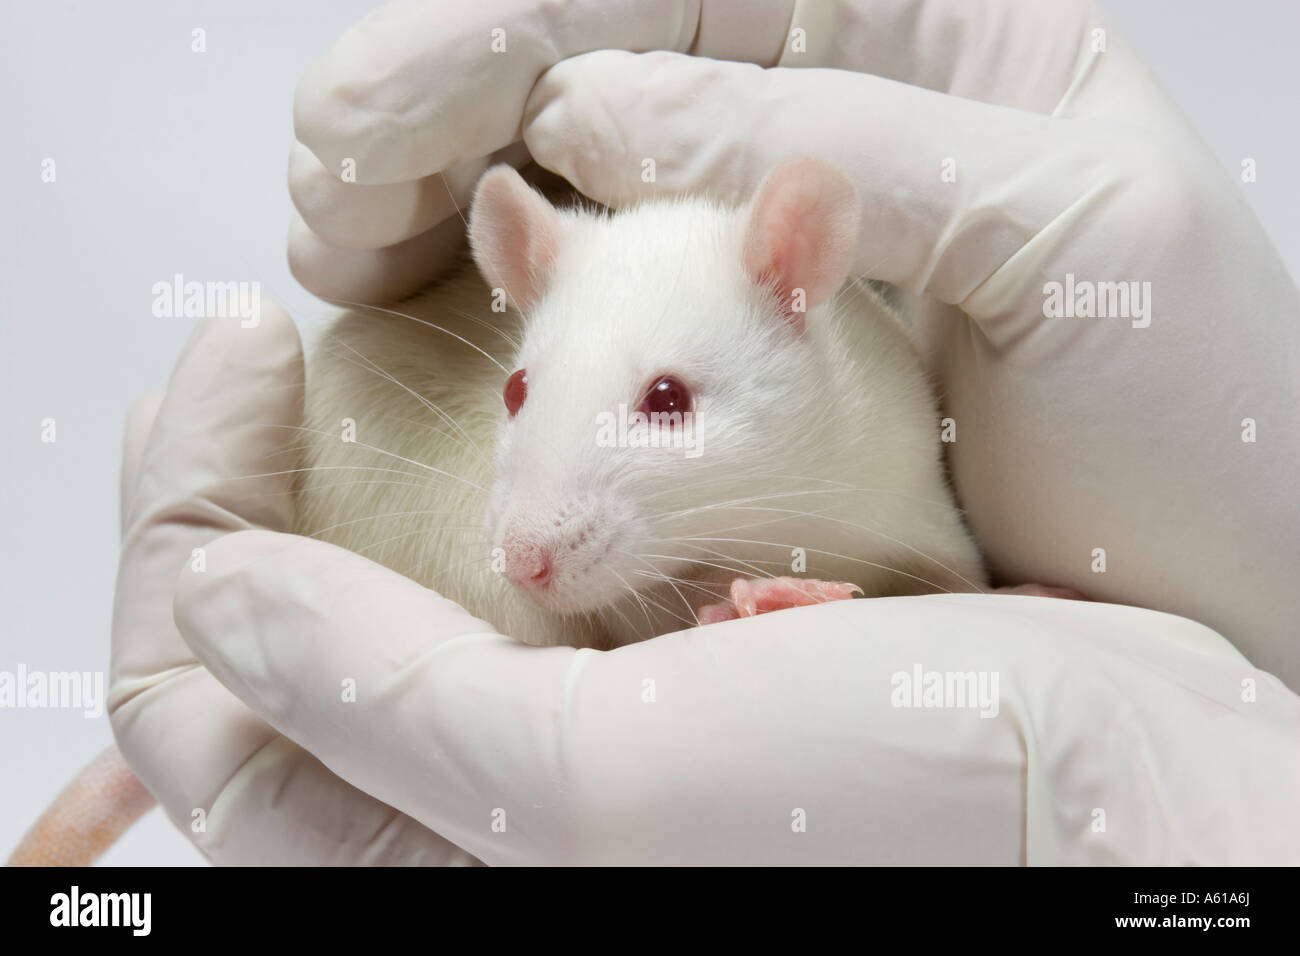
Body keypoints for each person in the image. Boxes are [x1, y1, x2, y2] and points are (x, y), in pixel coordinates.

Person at [110, 0, 1300, 865]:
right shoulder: (570, 375)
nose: (526, 540)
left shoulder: (865, 385)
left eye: (666, 404)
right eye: (524, 392)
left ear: (797, 272)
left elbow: (934, 587)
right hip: (363, 553)